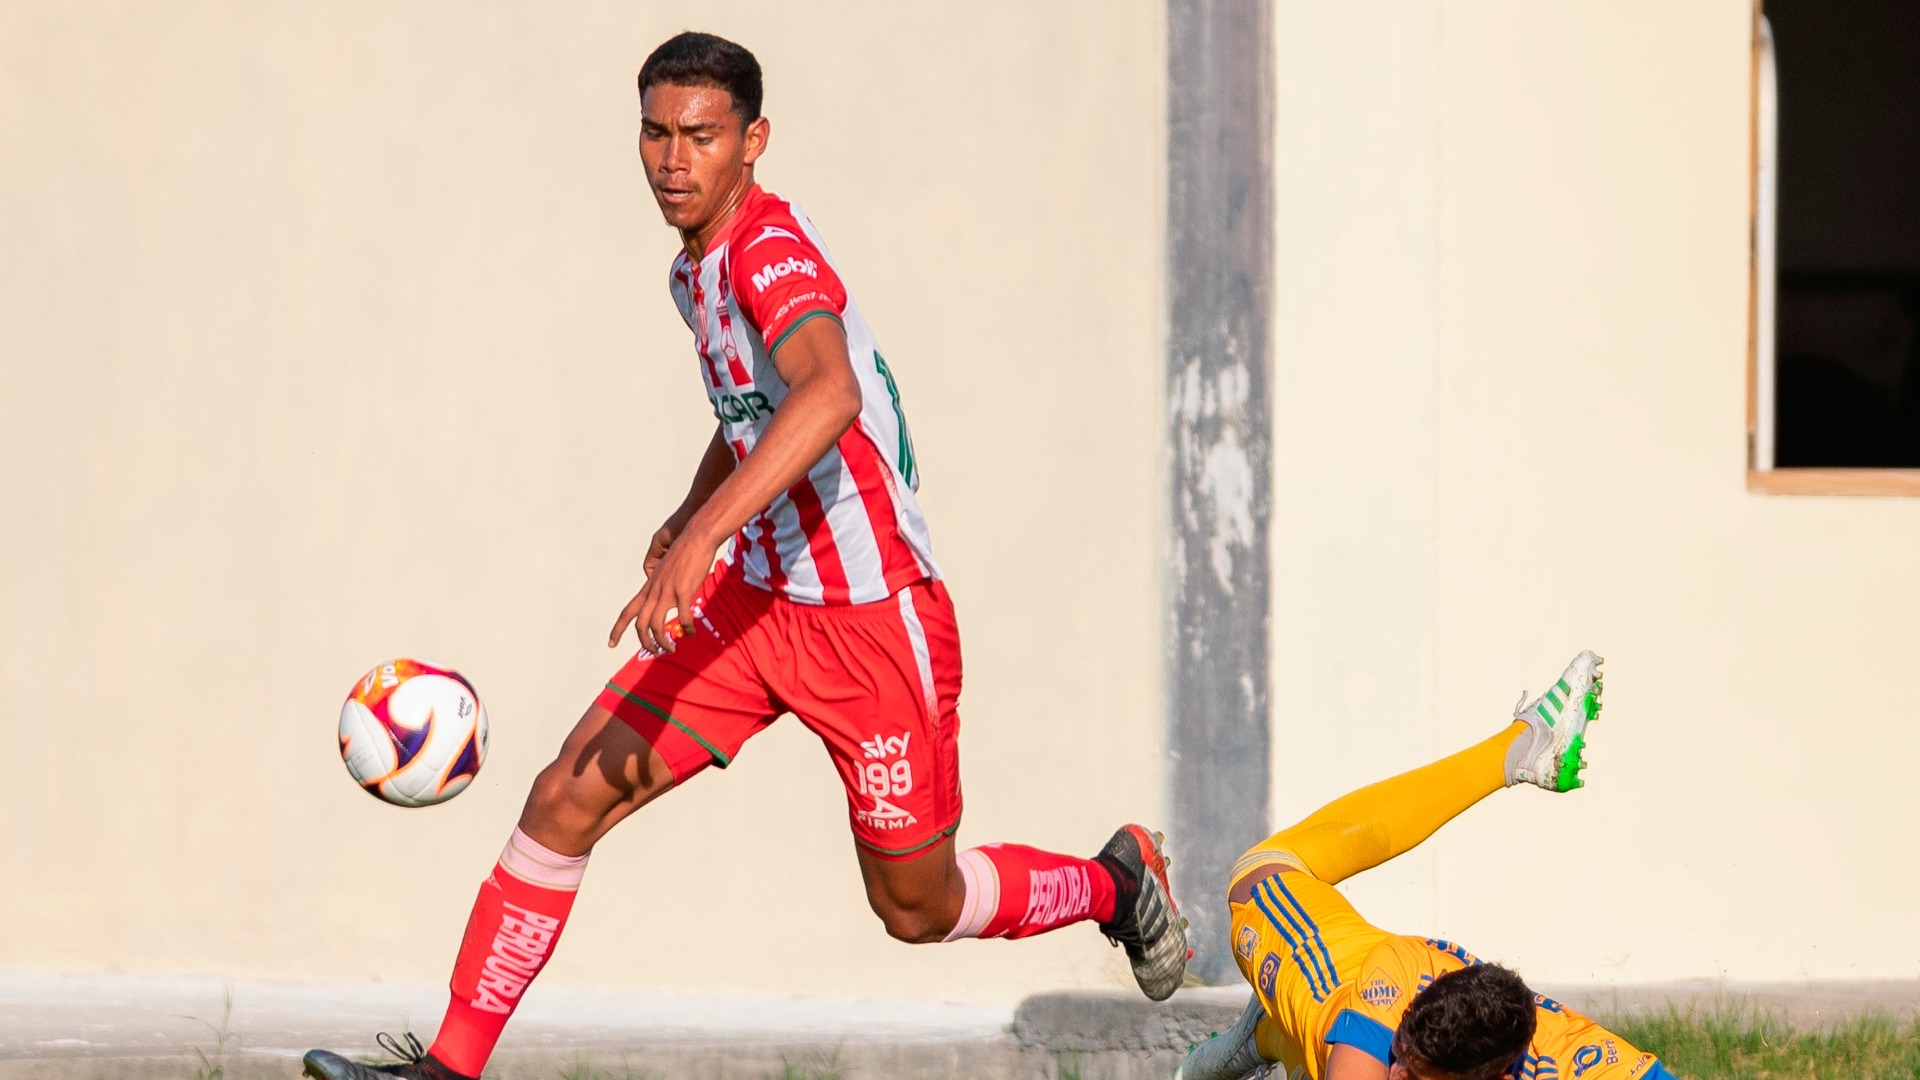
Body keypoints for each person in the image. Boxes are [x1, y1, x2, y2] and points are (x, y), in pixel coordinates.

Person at [303, 31, 1186, 1080]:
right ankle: (446, 1067)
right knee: (561, 799)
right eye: (656, 133)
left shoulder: (768, 253)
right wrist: (690, 515)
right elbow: (752, 411)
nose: (674, 160)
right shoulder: (695, 271)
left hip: (871, 620)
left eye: (702, 137)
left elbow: (827, 394)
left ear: (753, 141)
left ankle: (1114, 884)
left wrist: (708, 531)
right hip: (753, 607)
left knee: (916, 905)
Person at [1177, 651, 1678, 1080]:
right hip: (1334, 975)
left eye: (1413, 1076)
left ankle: (1271, 1038)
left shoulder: (1591, 1061)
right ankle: (1518, 748)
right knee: (1258, 872)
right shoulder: (1395, 978)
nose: (1394, 1072)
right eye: (1400, 1055)